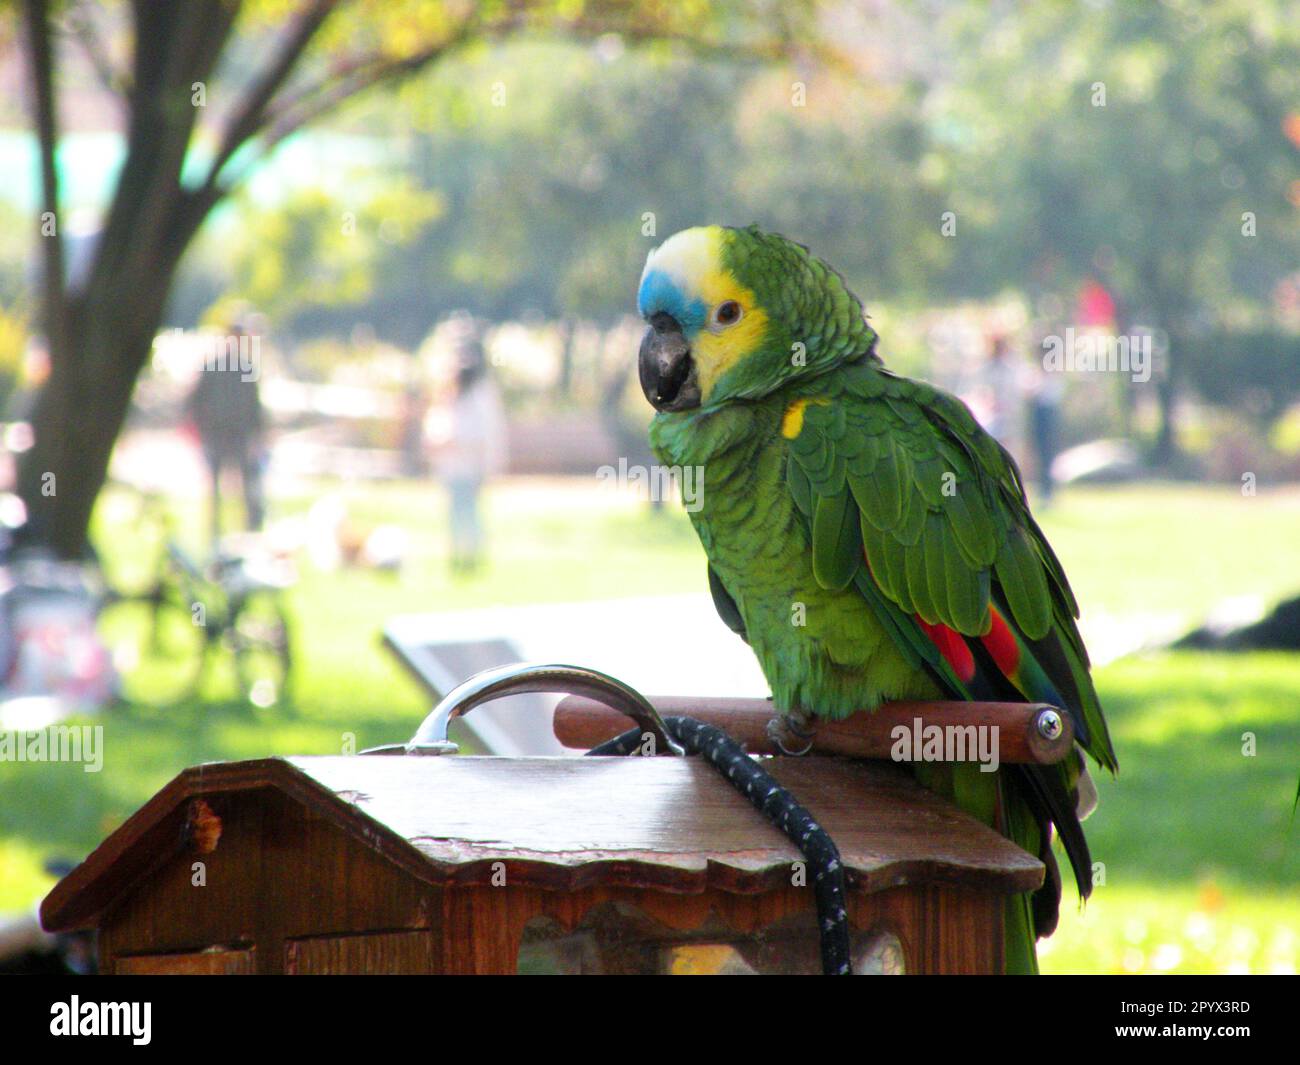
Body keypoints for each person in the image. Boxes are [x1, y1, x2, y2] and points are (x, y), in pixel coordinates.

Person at [425, 334, 507, 574]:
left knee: (468, 514)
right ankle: (459, 556)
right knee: (455, 515)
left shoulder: (481, 395)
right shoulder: (453, 394)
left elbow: (481, 435)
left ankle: (470, 558)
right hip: (452, 466)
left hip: (469, 467)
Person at [185, 312, 266, 549]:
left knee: (249, 487)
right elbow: (195, 400)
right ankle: (215, 538)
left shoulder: (247, 368)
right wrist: (201, 429)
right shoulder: (213, 366)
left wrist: (258, 436)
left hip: (240, 435)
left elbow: (254, 406)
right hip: (216, 435)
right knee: (215, 490)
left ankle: (252, 536)